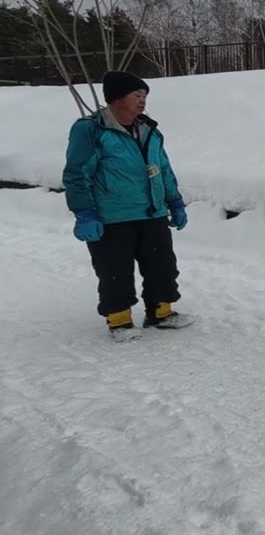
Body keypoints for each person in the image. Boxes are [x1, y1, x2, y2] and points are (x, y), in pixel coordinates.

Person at [62, 70, 193, 341]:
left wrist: (175, 201)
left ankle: (161, 313)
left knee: (162, 265)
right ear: (117, 98)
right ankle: (119, 320)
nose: (142, 100)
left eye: (144, 95)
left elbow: (164, 169)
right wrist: (84, 213)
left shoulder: (149, 130)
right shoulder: (91, 130)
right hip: (112, 215)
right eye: (137, 94)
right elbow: (77, 174)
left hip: (152, 211)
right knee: (115, 270)